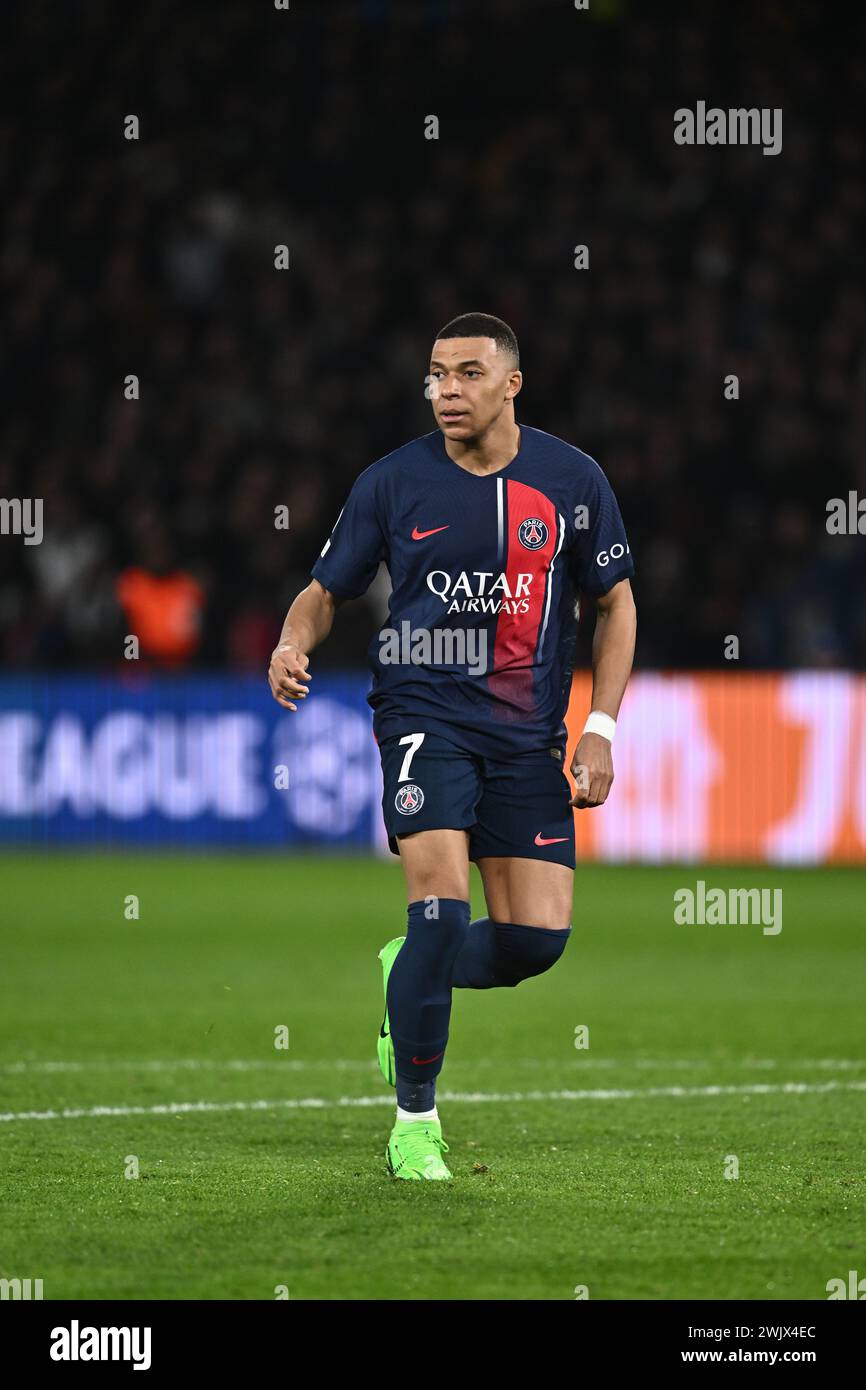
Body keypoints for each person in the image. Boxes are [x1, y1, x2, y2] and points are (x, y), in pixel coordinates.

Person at [268, 312, 636, 1180]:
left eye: (468, 374)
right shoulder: (393, 482)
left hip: (527, 737)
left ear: (512, 383)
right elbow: (325, 591)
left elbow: (614, 602)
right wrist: (293, 642)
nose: (447, 391)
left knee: (533, 942)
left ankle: (410, 975)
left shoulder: (572, 480)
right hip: (422, 718)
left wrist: (601, 727)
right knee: (438, 910)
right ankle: (415, 1124)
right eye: (437, 374)